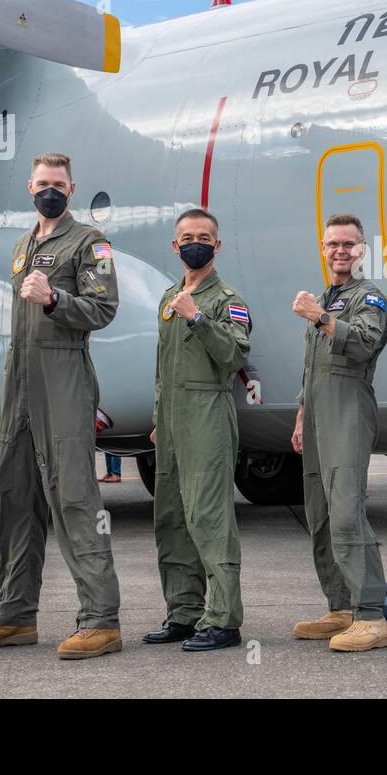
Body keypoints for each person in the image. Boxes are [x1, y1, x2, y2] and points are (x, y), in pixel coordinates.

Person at [0, 152, 123, 660]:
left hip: (64, 380)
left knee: (73, 495)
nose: (49, 190)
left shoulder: (89, 244)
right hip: (21, 384)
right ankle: (14, 615)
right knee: (14, 495)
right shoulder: (22, 244)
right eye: (42, 182)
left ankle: (100, 620)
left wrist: (55, 299)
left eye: (59, 184)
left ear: (71, 190)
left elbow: (103, 308)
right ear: (30, 186)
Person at [143, 207, 251, 653]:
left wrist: (197, 318)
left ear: (217, 245)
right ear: (175, 245)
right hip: (171, 423)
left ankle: (224, 620)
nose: (195, 242)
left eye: (204, 236)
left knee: (209, 518)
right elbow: (163, 369)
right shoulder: (170, 295)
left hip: (207, 416)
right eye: (187, 236)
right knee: (172, 519)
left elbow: (235, 356)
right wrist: (157, 419)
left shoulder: (227, 299)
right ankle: (184, 612)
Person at [290, 213, 387, 652]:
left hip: (348, 413)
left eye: (348, 244)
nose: (340, 251)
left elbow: (366, 344)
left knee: (348, 513)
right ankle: (340, 606)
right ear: (323, 247)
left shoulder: (369, 297)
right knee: (321, 514)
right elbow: (313, 369)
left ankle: (370, 614)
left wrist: (319, 318)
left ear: (361, 250)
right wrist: (300, 415)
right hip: (317, 417)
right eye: (333, 243)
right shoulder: (329, 297)